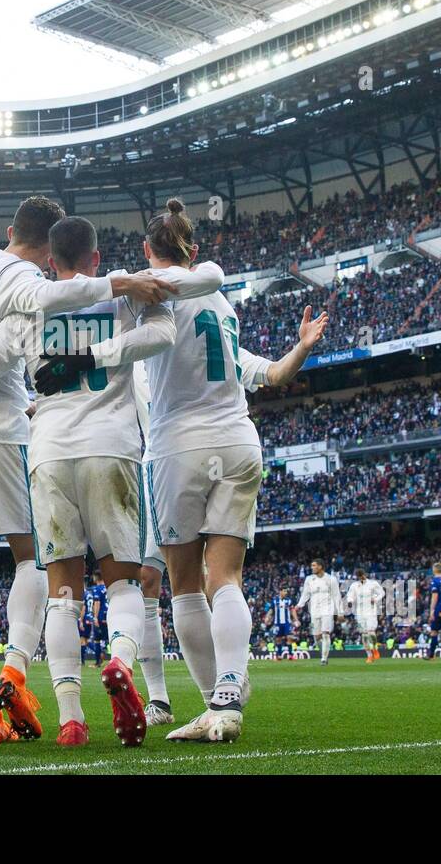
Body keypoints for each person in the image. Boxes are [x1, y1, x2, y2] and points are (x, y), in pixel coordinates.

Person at [0, 213, 222, 746]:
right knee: (124, 583)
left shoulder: (26, 314)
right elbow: (172, 321)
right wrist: (110, 341)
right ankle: (120, 661)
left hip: (48, 454)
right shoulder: (124, 296)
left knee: (62, 591)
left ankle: (71, 719)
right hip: (110, 449)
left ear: (51, 261)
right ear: (93, 258)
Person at [139, 199, 328, 742]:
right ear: (194, 251)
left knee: (185, 586)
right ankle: (229, 690)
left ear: (149, 252)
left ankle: (214, 705)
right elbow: (268, 374)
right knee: (226, 579)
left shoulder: (151, 293)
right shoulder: (219, 304)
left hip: (179, 448)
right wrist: (301, 348)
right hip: (239, 441)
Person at [297, 560, 342, 666]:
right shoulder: (309, 579)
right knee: (316, 636)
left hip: (327, 610)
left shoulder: (331, 579)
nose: (312, 567)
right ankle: (324, 654)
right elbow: (305, 594)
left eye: (314, 565)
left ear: (320, 566)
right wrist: (299, 605)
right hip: (314, 611)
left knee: (325, 634)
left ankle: (324, 658)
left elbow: (337, 596)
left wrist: (340, 612)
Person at [347, 568, 385, 663]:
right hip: (360, 612)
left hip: (371, 611)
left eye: (362, 576)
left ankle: (375, 648)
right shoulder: (354, 585)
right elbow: (350, 595)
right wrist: (350, 601)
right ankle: (369, 656)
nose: (361, 578)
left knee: (371, 632)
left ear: (365, 574)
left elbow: (382, 593)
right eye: (359, 577)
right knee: (364, 635)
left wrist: (375, 599)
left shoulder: (373, 584)